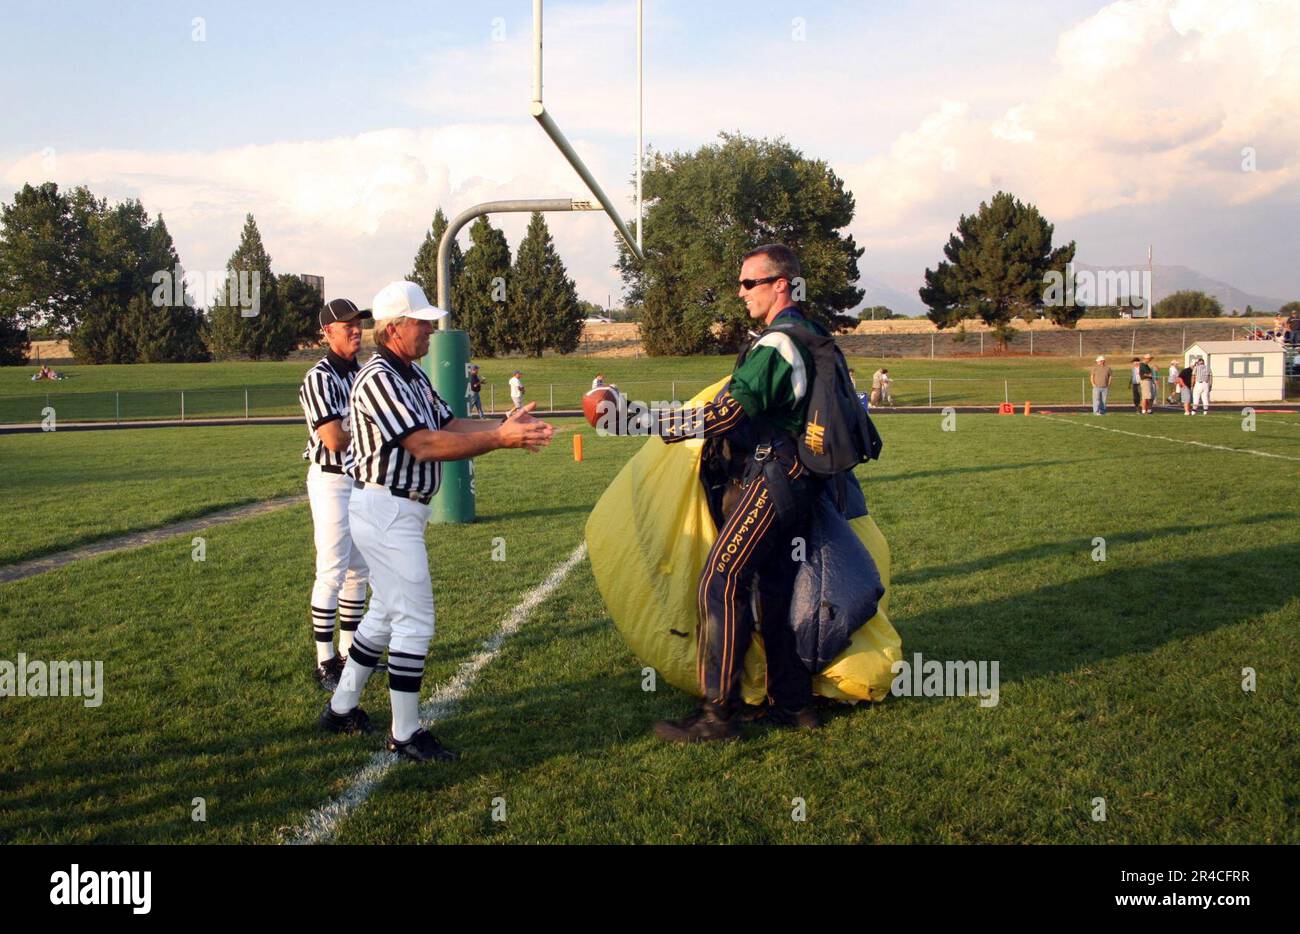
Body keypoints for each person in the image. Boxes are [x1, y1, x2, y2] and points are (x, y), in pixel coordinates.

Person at [319, 281, 554, 763]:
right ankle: (405, 735)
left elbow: (447, 426)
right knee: (415, 621)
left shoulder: (411, 374)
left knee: (384, 614)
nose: (429, 329)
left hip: (399, 508)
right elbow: (422, 444)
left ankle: (342, 708)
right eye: (420, 322)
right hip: (386, 507)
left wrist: (500, 426)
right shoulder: (380, 377)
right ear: (393, 328)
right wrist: (500, 441)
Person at [651, 243, 824, 743]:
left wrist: (651, 420)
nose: (741, 292)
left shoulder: (778, 343)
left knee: (719, 580)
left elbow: (727, 414)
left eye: (751, 283)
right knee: (772, 591)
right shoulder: (807, 335)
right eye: (741, 283)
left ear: (781, 286)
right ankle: (794, 706)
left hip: (774, 478)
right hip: (798, 480)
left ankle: (717, 715)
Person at [298, 298, 372, 691]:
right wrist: (380, 433)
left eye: (358, 324)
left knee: (359, 570)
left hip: (360, 478)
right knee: (331, 569)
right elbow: (334, 439)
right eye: (347, 325)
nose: (356, 330)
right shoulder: (320, 377)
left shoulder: (362, 373)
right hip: (332, 479)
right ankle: (325, 660)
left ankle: (348, 651)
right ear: (326, 333)